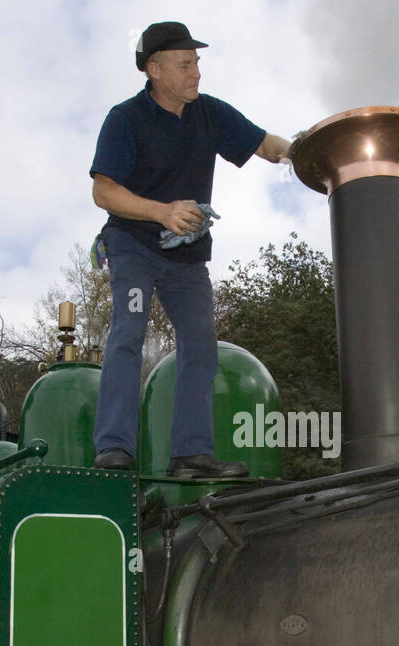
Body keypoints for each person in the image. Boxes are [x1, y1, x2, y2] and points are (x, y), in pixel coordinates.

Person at [88, 21, 293, 477]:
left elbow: (264, 144)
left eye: (197, 61)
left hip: (187, 257)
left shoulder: (210, 114)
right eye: (185, 64)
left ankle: (190, 455)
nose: (196, 72)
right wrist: (162, 212)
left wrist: (305, 152)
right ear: (155, 69)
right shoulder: (124, 119)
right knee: (128, 333)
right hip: (132, 244)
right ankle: (114, 448)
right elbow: (104, 192)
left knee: (201, 345)